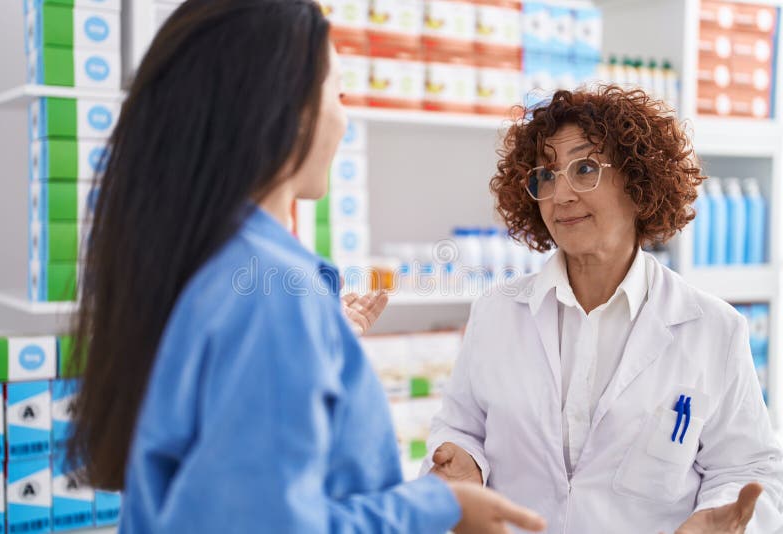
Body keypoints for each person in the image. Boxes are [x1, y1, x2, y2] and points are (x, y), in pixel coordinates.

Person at [64, 1, 547, 533]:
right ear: (286, 111)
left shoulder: (199, 256)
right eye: (337, 95)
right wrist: (440, 505)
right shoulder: (273, 293)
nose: (344, 118)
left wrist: (320, 350)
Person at [424, 86, 783, 533]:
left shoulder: (713, 329)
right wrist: (462, 462)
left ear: (639, 182)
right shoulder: (496, 314)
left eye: (585, 168)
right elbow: (458, 428)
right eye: (547, 175)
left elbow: (746, 467)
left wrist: (725, 518)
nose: (562, 194)